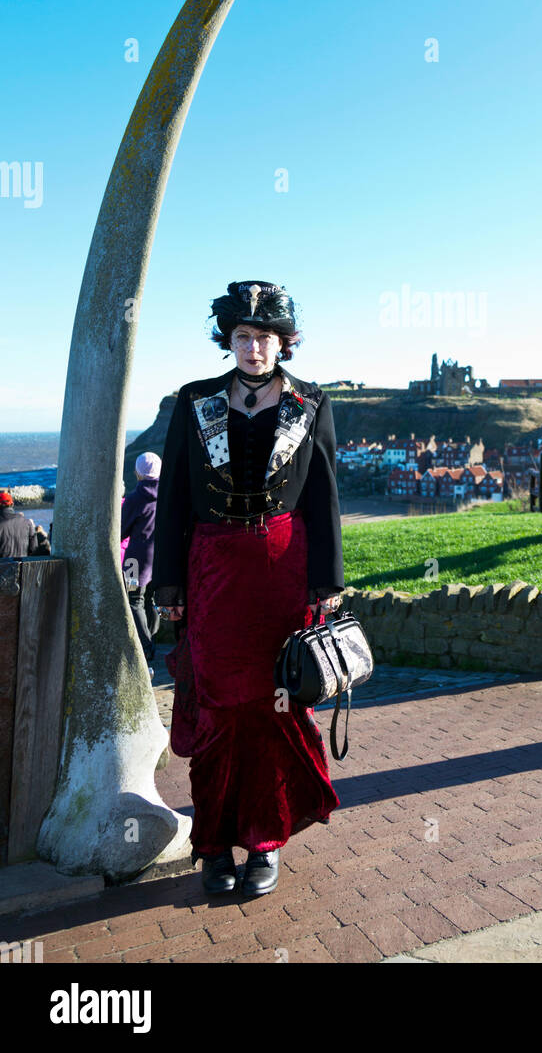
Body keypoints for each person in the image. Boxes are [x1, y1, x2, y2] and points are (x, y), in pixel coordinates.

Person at [150, 281, 343, 900]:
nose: (254, 348)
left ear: (283, 342)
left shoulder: (312, 402)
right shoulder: (194, 399)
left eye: (264, 337)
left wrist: (326, 584)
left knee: (272, 708)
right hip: (213, 572)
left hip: (283, 574)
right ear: (227, 339)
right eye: (242, 337)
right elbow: (175, 496)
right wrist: (170, 583)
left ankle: (265, 842)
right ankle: (212, 847)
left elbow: (325, 498)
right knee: (216, 710)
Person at [120, 453, 163, 675]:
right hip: (161, 556)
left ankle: (145, 647)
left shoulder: (135, 498)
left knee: (134, 599)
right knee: (153, 598)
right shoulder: (168, 494)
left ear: (138, 472)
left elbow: (120, 530)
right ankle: (151, 638)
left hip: (136, 560)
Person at [0, 488, 50, 557]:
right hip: (23, 565)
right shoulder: (28, 523)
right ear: (12, 504)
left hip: (3, 566)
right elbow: (33, 549)